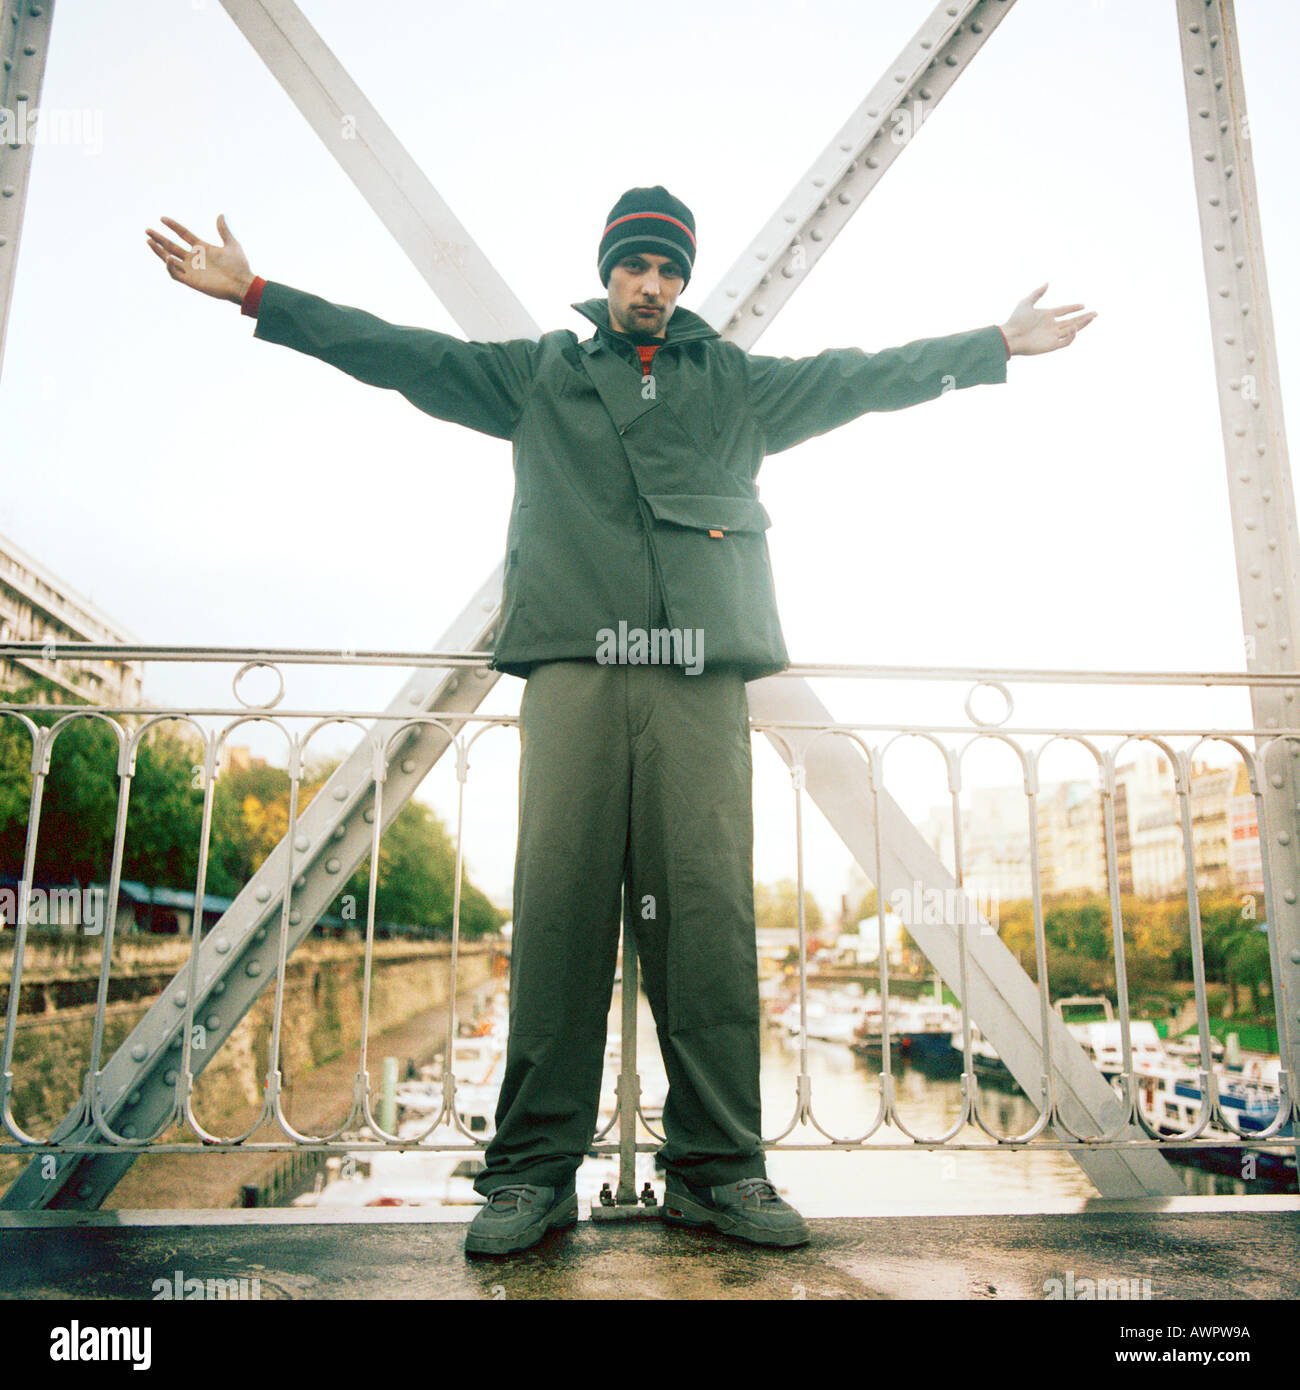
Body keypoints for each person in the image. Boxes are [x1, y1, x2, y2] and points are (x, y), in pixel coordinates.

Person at [146, 187, 1094, 1256]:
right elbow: (401, 352)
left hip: (697, 669)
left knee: (708, 920)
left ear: (683, 282)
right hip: (574, 666)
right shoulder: (541, 371)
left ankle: (719, 1170)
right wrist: (258, 295)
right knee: (555, 917)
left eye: (670, 270)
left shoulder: (732, 383)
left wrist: (993, 344)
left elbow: (858, 377)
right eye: (635, 266)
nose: (652, 285)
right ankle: (530, 1178)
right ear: (608, 273)